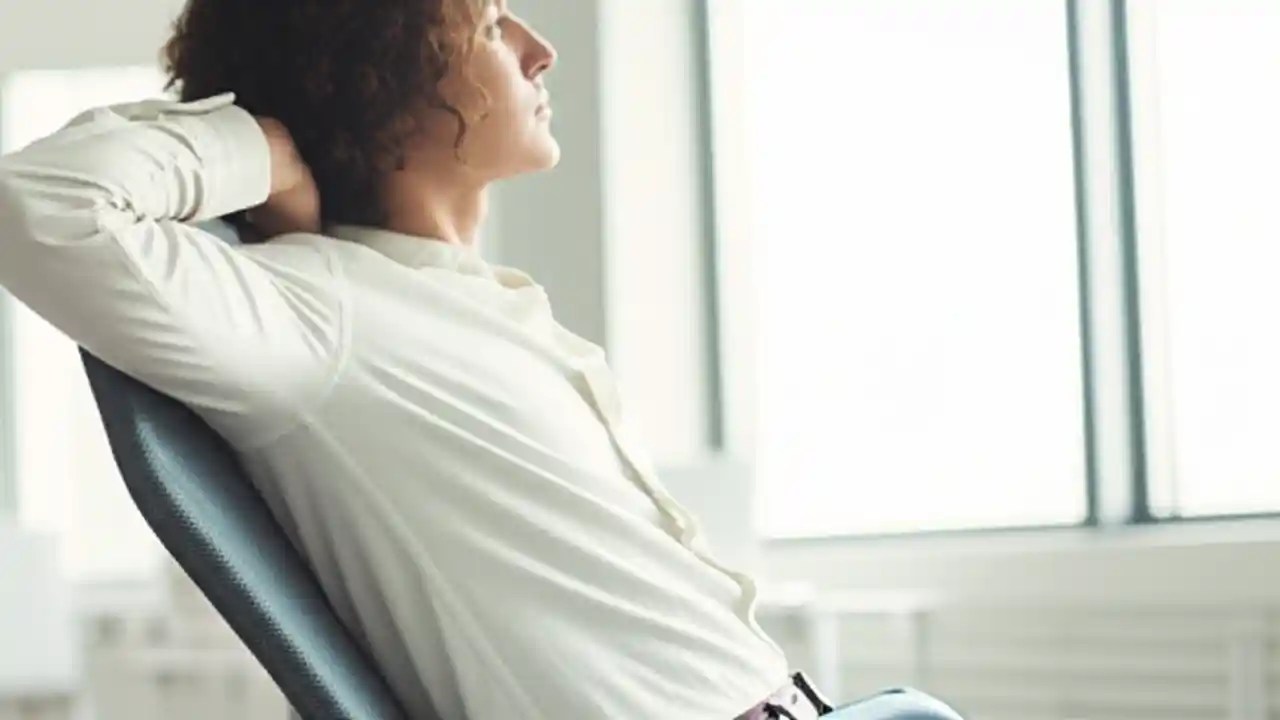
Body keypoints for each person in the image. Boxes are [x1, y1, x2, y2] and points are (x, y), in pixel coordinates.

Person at [0, 0, 964, 718]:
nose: (539, 50)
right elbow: (42, 204)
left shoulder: (473, 306)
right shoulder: (316, 313)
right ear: (376, 80)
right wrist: (264, 144)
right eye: (493, 24)